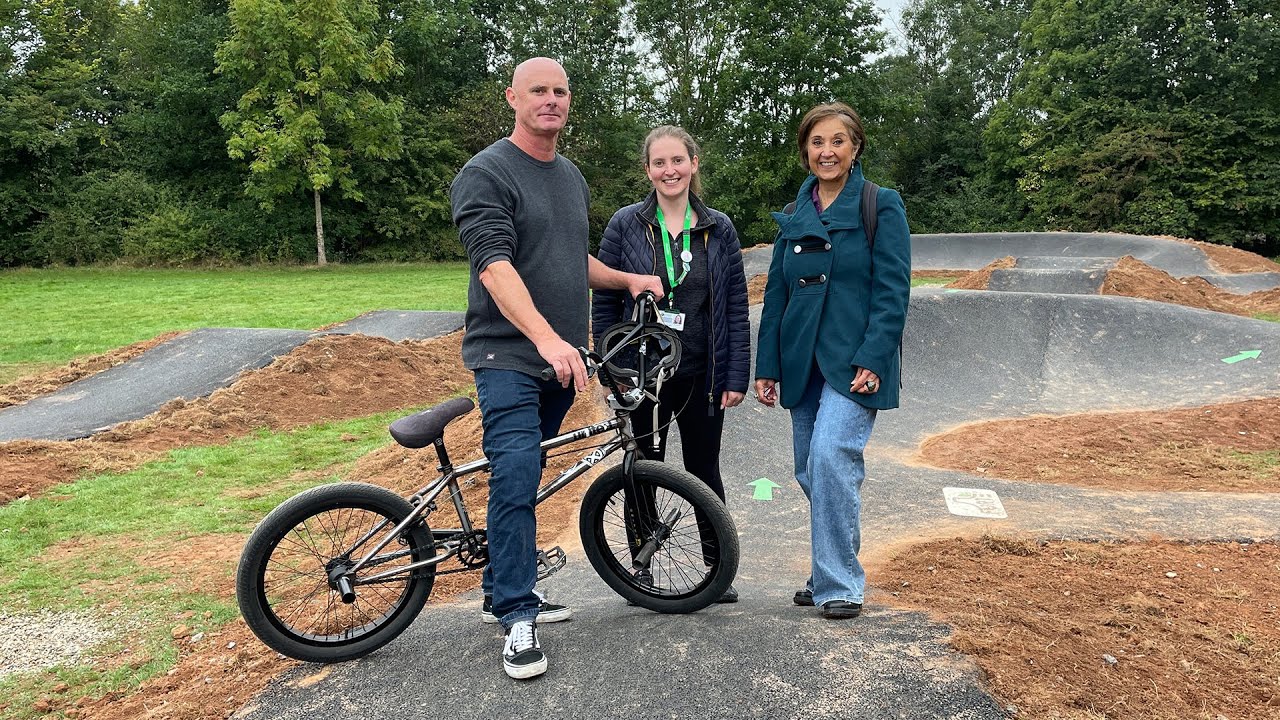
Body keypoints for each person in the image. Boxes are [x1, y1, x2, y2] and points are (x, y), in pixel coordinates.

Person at [451, 57, 664, 680]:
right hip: (508, 357)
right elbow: (495, 267)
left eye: (561, 91)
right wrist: (546, 339)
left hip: (558, 361)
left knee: (526, 473)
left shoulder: (569, 176)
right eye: (538, 90)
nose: (551, 100)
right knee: (517, 473)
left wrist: (627, 278)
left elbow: (571, 258)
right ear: (513, 98)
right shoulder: (486, 173)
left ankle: (502, 583)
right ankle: (516, 615)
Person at [753, 102, 911, 620]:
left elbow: (893, 291)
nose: (827, 151)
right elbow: (777, 295)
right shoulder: (796, 213)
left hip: (854, 362)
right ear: (805, 151)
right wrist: (767, 365)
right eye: (817, 142)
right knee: (810, 470)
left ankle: (839, 582)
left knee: (829, 457)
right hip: (801, 361)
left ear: (855, 147)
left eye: (837, 141)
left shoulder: (879, 204)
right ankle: (828, 567)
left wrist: (875, 357)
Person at [592, 125, 750, 603]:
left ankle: (716, 569)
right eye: (659, 163)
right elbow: (605, 299)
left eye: (677, 160)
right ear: (648, 170)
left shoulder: (718, 227)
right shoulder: (625, 224)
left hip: (701, 371)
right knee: (642, 466)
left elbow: (735, 307)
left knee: (704, 467)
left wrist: (735, 374)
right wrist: (609, 368)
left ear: (693, 164)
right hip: (641, 370)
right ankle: (640, 568)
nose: (669, 170)